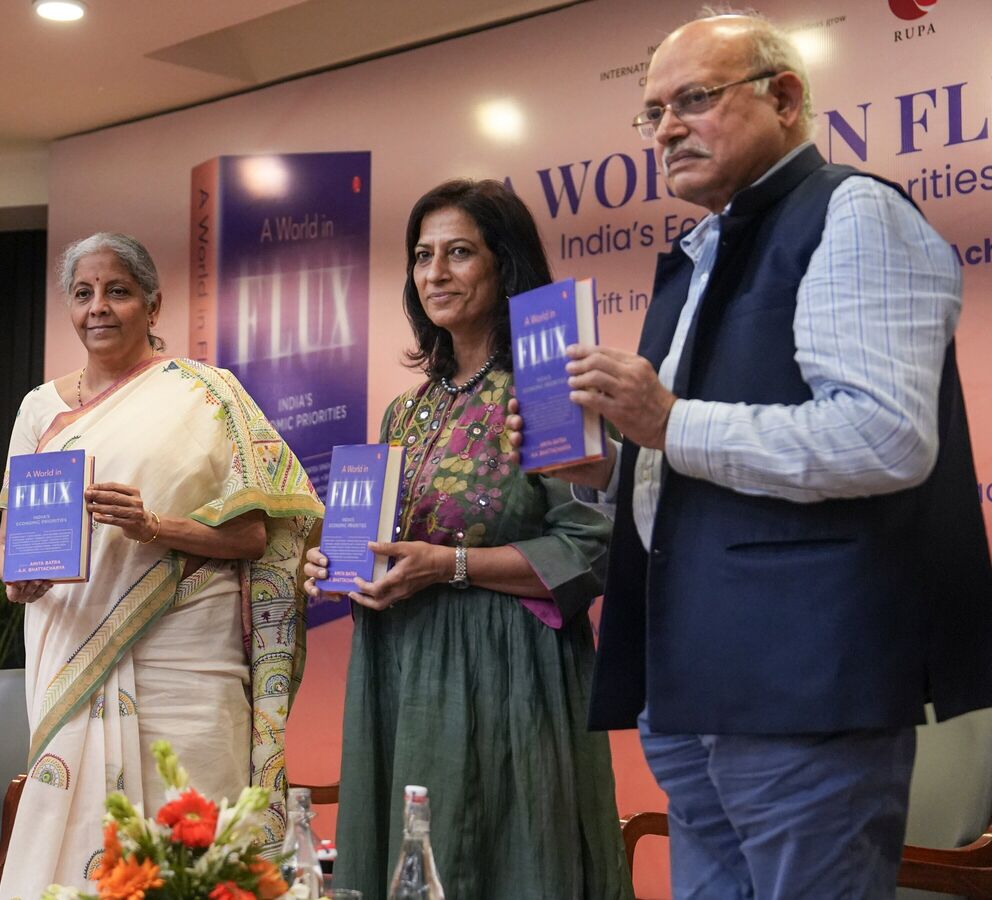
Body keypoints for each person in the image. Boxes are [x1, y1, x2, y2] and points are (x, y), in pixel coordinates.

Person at [505, 12, 992, 898]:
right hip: (691, 685)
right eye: (652, 112)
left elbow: (886, 438)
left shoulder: (854, 212)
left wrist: (664, 422)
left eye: (693, 99)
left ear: (786, 96)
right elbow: (691, 457)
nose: (666, 129)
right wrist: (610, 471)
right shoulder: (699, 255)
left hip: (800, 686)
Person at [302, 181, 629, 899]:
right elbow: (390, 548)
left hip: (510, 681)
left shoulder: (547, 390)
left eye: (459, 253)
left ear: (503, 265)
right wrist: (341, 566)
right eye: (423, 256)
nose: (435, 274)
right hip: (404, 677)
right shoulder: (405, 411)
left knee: (505, 864)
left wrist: (448, 566)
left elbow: (589, 549)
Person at [0, 233, 321, 899]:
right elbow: (8, 538)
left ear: (153, 303)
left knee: (195, 843)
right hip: (70, 648)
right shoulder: (40, 408)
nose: (98, 308)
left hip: (188, 660)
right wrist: (13, 573)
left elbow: (256, 535)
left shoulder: (206, 396)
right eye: (83, 294)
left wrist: (153, 527)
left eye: (118, 291)